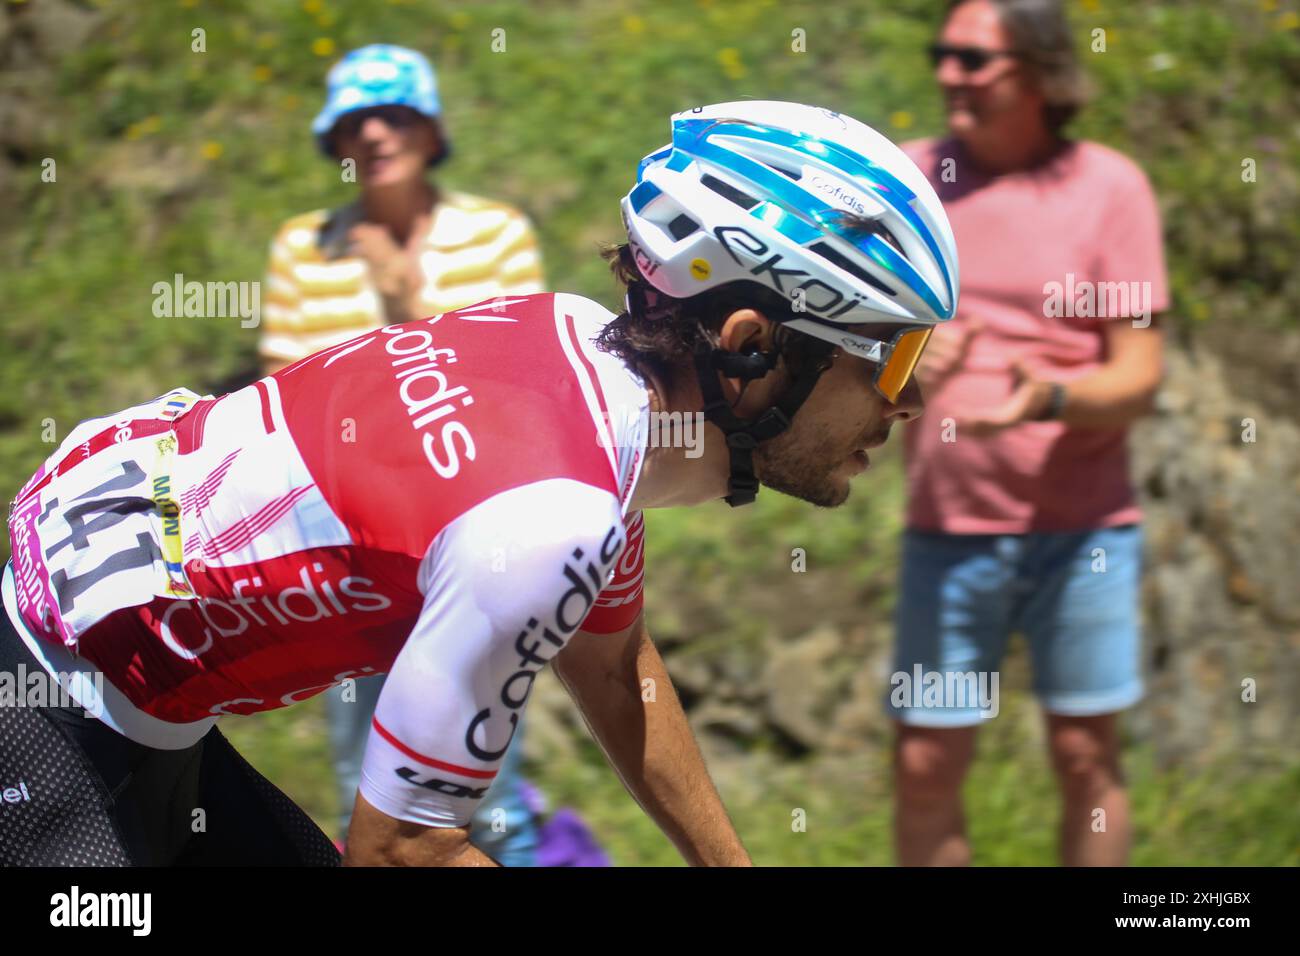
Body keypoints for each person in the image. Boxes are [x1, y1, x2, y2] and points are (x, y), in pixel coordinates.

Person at [0, 100, 957, 866]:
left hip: (118, 682)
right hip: (52, 714)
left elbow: (617, 671)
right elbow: (405, 851)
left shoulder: (567, 348)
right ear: (755, 346)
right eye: (892, 356)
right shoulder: (553, 519)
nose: (905, 402)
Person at [886, 0, 1167, 866]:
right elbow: (854, 343)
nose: (946, 74)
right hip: (946, 534)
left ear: (1042, 72)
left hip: (1084, 535)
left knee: (1085, 755)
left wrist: (1049, 399)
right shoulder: (909, 178)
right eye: (941, 54)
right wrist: (901, 369)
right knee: (927, 760)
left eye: (972, 60)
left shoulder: (1109, 187)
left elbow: (1138, 376)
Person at [258, 43, 545, 862]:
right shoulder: (301, 249)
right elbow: (284, 401)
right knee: (366, 792)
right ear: (336, 143)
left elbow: (516, 388)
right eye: (354, 121)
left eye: (394, 115)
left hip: (475, 550)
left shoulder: (495, 234)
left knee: (484, 803)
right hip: (346, 555)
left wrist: (397, 298)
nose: (375, 134)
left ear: (431, 129)